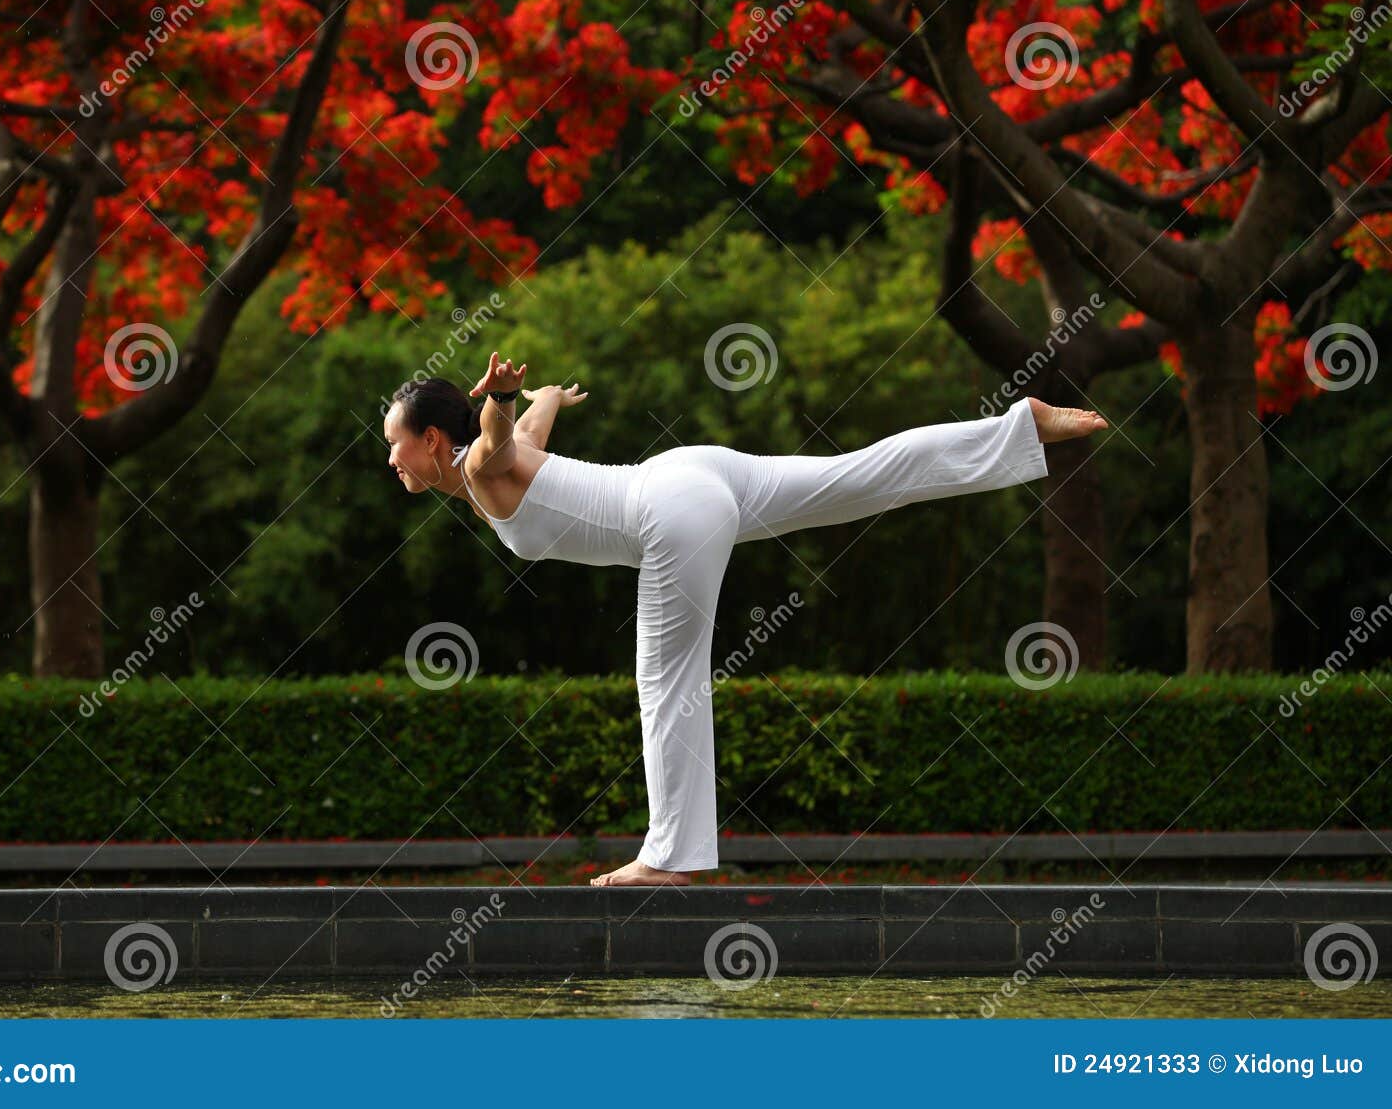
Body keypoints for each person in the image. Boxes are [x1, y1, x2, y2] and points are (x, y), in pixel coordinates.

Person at [383, 351, 1108, 887]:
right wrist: (539, 394)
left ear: (437, 442)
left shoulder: (480, 468)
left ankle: (668, 858)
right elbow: (525, 433)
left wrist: (505, 398)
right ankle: (1020, 428)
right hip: (696, 474)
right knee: (853, 476)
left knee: (665, 682)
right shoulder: (496, 465)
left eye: (397, 442)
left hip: (670, 511)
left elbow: (498, 441)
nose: (391, 457)